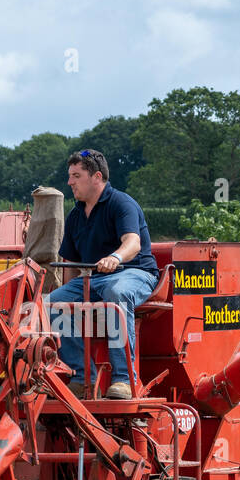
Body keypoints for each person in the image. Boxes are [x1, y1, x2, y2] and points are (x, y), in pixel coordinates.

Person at [48, 149, 159, 399]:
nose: (70, 182)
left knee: (116, 291)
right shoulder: (76, 215)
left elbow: (133, 243)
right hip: (93, 279)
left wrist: (115, 257)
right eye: (70, 176)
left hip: (134, 273)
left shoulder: (122, 204)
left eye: (76, 175)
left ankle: (123, 380)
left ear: (96, 176)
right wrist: (67, 300)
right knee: (52, 303)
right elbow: (72, 265)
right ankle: (81, 375)